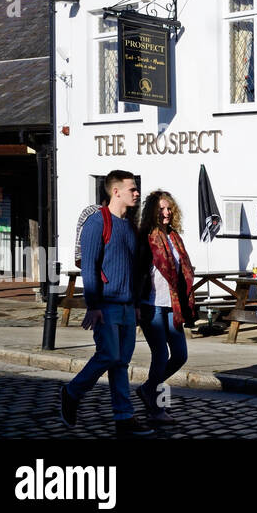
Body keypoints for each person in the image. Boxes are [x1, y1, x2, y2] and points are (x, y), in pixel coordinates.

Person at [58, 170, 154, 437]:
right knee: (109, 355)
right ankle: (72, 392)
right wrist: (93, 305)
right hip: (106, 305)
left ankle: (124, 418)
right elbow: (89, 266)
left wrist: (135, 303)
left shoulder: (130, 226)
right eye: (132, 189)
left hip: (126, 306)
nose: (137, 193)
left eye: (136, 189)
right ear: (116, 191)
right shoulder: (97, 222)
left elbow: (134, 270)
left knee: (121, 362)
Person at [135, 190, 196, 425]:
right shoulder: (145, 237)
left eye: (169, 208)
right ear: (152, 211)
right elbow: (137, 272)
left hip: (172, 305)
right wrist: (135, 303)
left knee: (180, 355)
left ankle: (148, 389)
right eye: (161, 209)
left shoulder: (174, 237)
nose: (166, 212)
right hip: (151, 304)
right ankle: (157, 409)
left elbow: (181, 269)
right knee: (160, 356)